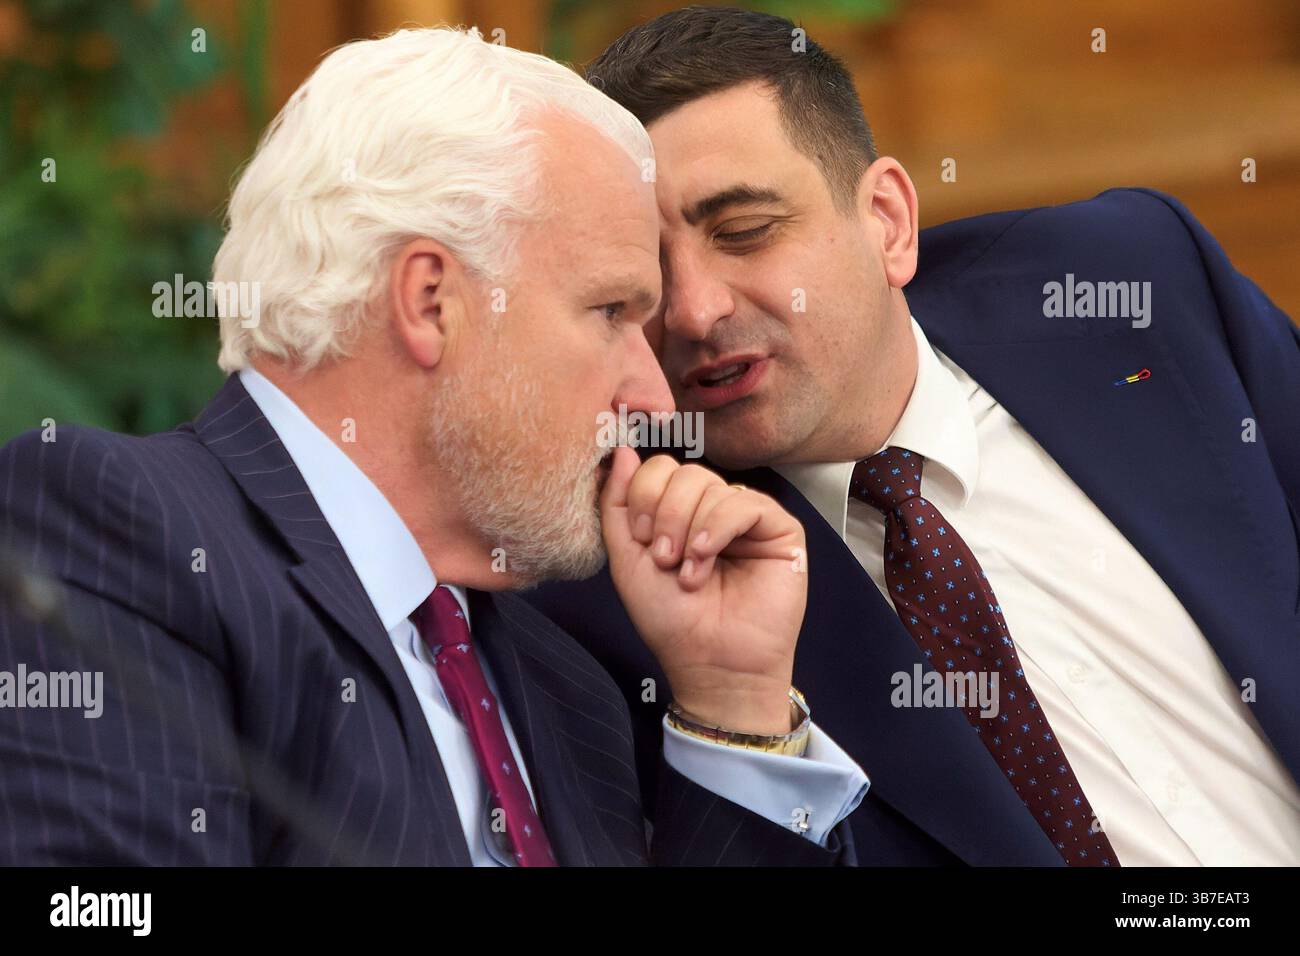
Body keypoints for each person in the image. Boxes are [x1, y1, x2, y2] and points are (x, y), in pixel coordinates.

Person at [0, 26, 868, 866]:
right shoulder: (121, 531)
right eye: (611, 312)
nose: (650, 393)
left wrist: (733, 705)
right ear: (429, 300)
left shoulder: (566, 686)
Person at [525, 5, 1300, 866]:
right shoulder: (617, 591)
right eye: (645, 278)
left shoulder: (1130, 285)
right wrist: (734, 709)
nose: (697, 311)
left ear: (888, 221)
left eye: (744, 233)